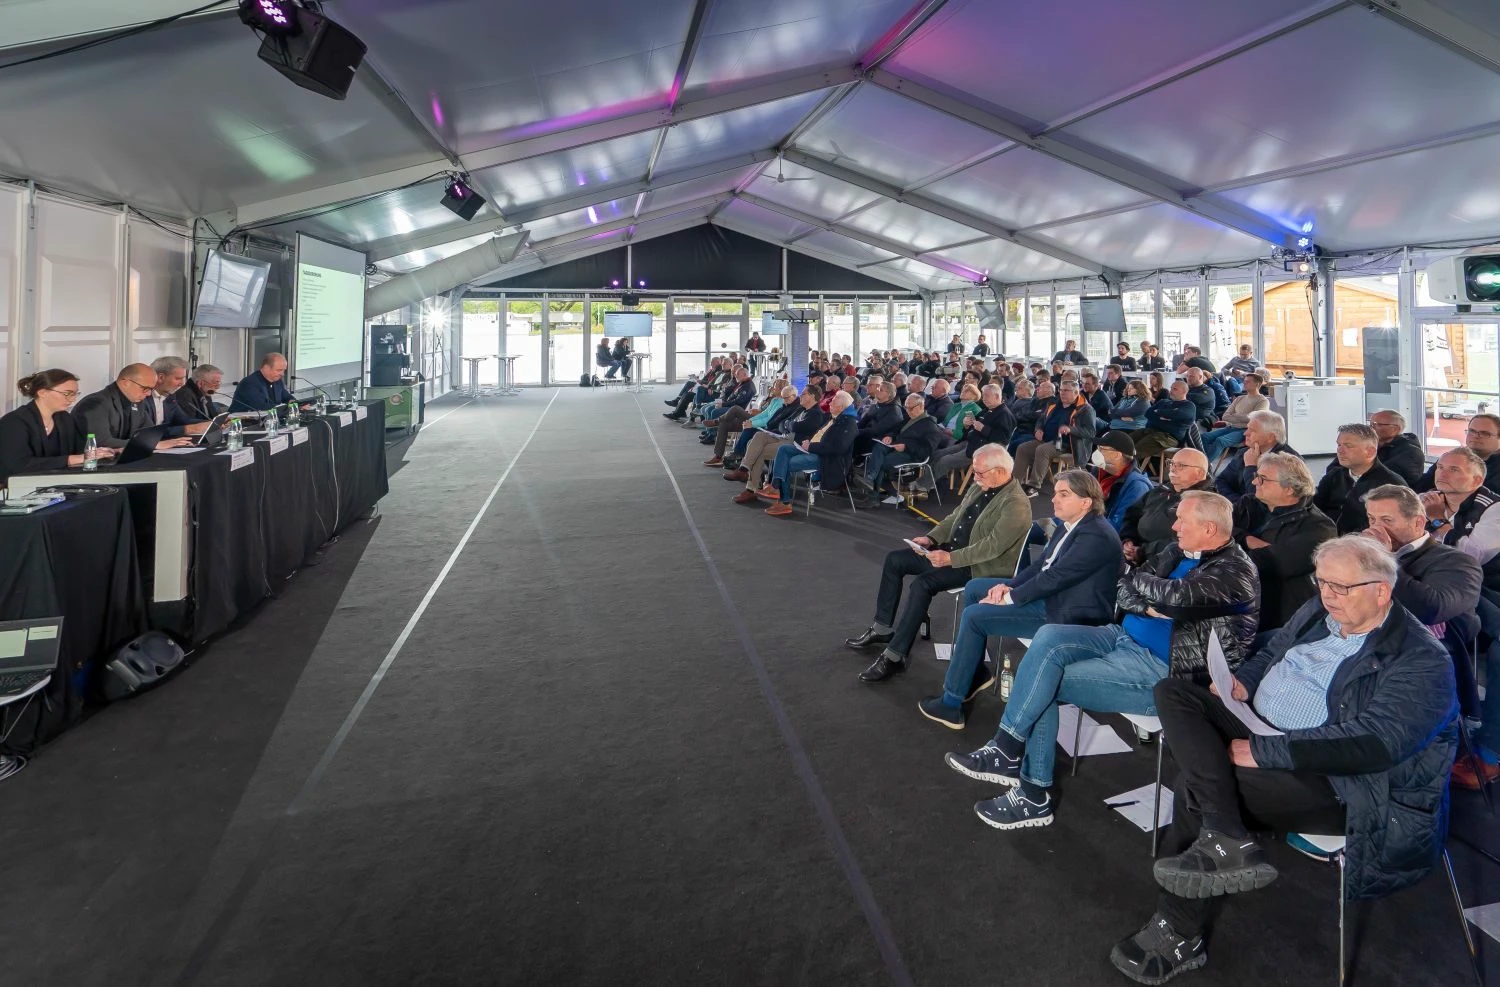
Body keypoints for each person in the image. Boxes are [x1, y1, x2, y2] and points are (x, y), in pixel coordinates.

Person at [1111, 536, 1457, 985]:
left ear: (1381, 590)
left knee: (1197, 789)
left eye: (1341, 587)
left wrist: (1263, 751)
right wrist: (1244, 682)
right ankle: (1226, 834)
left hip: (1343, 781)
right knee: (1173, 693)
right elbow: (1275, 653)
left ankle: (1179, 931)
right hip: (1260, 726)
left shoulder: (1421, 659)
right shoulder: (1321, 611)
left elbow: (1374, 745)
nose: (1328, 594)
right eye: (1323, 582)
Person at [945, 492, 1258, 829]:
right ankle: (1008, 751)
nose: (1174, 526)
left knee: (1042, 681)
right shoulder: (1177, 549)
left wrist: (1147, 590)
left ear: (1209, 529)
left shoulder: (1236, 572)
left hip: (1164, 670)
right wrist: (1149, 600)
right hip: (1121, 636)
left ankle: (1032, 792)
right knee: (1049, 637)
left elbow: (1174, 597)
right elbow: (1123, 585)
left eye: (1182, 520)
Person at [920, 470, 1124, 727]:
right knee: (975, 588)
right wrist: (1008, 585)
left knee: (974, 617)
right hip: (1057, 598)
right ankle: (973, 673)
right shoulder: (1072, 525)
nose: (1054, 500)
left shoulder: (1096, 536)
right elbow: (1041, 566)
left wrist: (1009, 598)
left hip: (1069, 615)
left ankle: (951, 702)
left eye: (1064, 495)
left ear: (1086, 502)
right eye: (1056, 493)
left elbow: (1055, 578)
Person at [848, 444, 1031, 682]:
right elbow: (955, 516)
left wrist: (950, 558)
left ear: (1000, 471)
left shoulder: (1016, 503)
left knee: (923, 584)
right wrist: (932, 538)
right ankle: (882, 629)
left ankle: (895, 656)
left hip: (979, 567)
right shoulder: (982, 485)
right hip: (952, 553)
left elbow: (992, 547)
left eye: (979, 472)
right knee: (895, 560)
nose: (974, 477)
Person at [1421, 447, 1500, 788]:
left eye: (1455, 469)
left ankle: (1491, 751)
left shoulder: (1494, 509)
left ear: (1477, 479)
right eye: (1441, 467)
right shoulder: (1427, 499)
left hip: (1489, 593)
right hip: (1455, 591)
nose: (1443, 473)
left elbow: (1468, 558)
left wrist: (1434, 523)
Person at [1232, 452, 1337, 630]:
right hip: (1239, 598)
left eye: (1263, 479)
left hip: (1279, 615)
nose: (1254, 482)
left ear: (1289, 488)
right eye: (1257, 476)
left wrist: (1233, 544)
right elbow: (1217, 530)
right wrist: (1248, 539)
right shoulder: (1249, 503)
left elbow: (1274, 564)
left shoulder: (1320, 527)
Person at [1359, 484, 1481, 635]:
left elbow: (1432, 610)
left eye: (1387, 520)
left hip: (1430, 650)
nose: (1376, 528)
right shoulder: (1365, 552)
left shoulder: (1459, 562)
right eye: (1372, 519)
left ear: (1418, 523)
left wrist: (1383, 559)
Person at [0, 369, 120, 483]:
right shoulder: (14, 422)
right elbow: (19, 466)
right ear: (42, 392)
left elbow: (78, 451)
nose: (72, 399)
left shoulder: (64, 418)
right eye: (67, 394)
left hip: (56, 484)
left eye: (75, 394)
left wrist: (106, 452)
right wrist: (72, 459)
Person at [762, 390, 858, 517]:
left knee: (787, 462)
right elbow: (820, 436)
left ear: (841, 407)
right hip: (813, 450)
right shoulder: (833, 418)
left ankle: (784, 501)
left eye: (833, 402)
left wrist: (811, 446)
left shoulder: (848, 424)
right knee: (784, 449)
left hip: (827, 459)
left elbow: (837, 448)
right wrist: (809, 443)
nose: (830, 403)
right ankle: (776, 486)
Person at [1121, 449, 1214, 565]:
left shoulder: (1206, 503)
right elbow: (1131, 516)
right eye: (1171, 463)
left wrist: (1142, 551)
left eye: (1180, 466)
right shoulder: (1161, 490)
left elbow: (1184, 542)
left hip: (1163, 566)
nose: (1172, 468)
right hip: (1132, 554)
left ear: (1199, 473)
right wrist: (1128, 540)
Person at [732, 386, 825, 502]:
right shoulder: (801, 409)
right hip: (783, 437)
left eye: (803, 394)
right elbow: (782, 424)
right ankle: (744, 469)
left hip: (795, 445)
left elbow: (798, 427)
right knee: (758, 436)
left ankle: (750, 489)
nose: (800, 396)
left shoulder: (816, 414)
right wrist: (789, 425)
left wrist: (789, 425)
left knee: (758, 451)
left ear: (812, 396)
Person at [72, 363, 193, 451]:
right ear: (126, 383)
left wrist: (167, 442)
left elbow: (149, 433)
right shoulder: (95, 403)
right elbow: (101, 442)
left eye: (151, 389)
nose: (149, 394)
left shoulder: (137, 401)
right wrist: (150, 445)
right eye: (145, 388)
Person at [1313, 423, 1405, 534]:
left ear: (1370, 451)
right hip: (1327, 536)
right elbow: (1315, 507)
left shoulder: (1391, 484)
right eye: (1339, 445)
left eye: (1348, 446)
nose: (1340, 451)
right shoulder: (1335, 475)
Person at [1013, 380, 1097, 495]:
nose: (1062, 393)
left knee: (1043, 450)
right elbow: (1041, 420)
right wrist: (1038, 429)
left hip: (1069, 445)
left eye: (1066, 390)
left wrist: (1071, 429)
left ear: (1076, 392)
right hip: (1047, 440)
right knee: (1023, 448)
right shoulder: (1054, 404)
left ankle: (1033, 486)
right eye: (1061, 390)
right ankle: (1014, 483)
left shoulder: (1085, 409)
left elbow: (1091, 432)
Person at [861, 393, 946, 505]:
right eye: (906, 407)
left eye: (911, 408)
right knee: (879, 447)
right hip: (895, 447)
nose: (908, 411)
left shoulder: (931, 427)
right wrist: (890, 436)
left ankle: (873, 490)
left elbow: (926, 451)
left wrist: (906, 447)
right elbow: (895, 430)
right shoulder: (908, 418)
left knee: (881, 462)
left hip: (911, 454)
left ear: (921, 406)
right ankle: (871, 482)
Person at [705, 380, 788, 467]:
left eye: (775, 387)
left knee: (736, 409)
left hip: (764, 426)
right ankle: (718, 456)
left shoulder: (781, 403)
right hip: (755, 419)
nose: (772, 388)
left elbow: (768, 419)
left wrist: (752, 422)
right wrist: (751, 421)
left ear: (781, 389)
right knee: (724, 424)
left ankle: (717, 421)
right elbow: (765, 413)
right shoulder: (774, 399)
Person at [1215, 410, 1294, 500]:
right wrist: (1238, 504)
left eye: (1252, 430)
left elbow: (1263, 501)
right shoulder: (1245, 452)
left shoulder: (1288, 463)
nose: (1245, 433)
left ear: (1271, 437)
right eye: (1247, 428)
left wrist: (1251, 467)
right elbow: (1221, 480)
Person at [1416, 412, 1500, 492]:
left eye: (1484, 433)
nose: (1475, 436)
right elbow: (1422, 486)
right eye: (1472, 431)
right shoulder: (1453, 458)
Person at [1200, 372, 1268, 464]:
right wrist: (1243, 416)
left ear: (1257, 384)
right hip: (1230, 427)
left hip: (1246, 430)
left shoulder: (1263, 401)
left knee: (1220, 441)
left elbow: (1254, 418)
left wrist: (1234, 416)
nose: (1244, 383)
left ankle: (1205, 465)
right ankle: (1203, 461)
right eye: (1244, 381)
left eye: (1248, 382)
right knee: (1204, 437)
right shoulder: (1239, 398)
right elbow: (1225, 416)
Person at [1095, 430, 1153, 532]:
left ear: (1117, 455)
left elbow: (1119, 526)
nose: (1097, 452)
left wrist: (1081, 519)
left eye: (1102, 449)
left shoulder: (1137, 486)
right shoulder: (1098, 472)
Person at [1131, 379, 1197, 461]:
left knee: (1135, 452)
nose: (1171, 391)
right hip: (1149, 431)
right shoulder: (1163, 402)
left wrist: (1158, 412)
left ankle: (1126, 470)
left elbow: (1179, 414)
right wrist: (1166, 418)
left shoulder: (1189, 406)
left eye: (1175, 389)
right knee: (1125, 442)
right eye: (1171, 388)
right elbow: (1148, 413)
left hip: (1168, 437)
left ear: (1184, 391)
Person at [144, 357, 212, 436]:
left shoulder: (170, 396)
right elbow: (148, 432)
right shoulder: (142, 397)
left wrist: (211, 424)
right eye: (178, 378)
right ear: (161, 378)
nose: (182, 384)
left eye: (183, 379)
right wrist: (187, 429)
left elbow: (182, 419)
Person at [1367, 409, 1424, 487]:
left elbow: (1381, 477)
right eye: (1371, 424)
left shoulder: (1410, 453)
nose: (1371, 428)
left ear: (1395, 429)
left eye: (1377, 424)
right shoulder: (1375, 445)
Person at [230, 352, 296, 413]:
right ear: (266, 368)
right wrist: (287, 408)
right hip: (243, 423)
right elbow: (263, 407)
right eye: (279, 370)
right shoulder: (249, 383)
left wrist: (296, 404)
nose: (282, 374)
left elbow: (287, 397)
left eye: (284, 370)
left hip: (269, 420)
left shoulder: (277, 381)